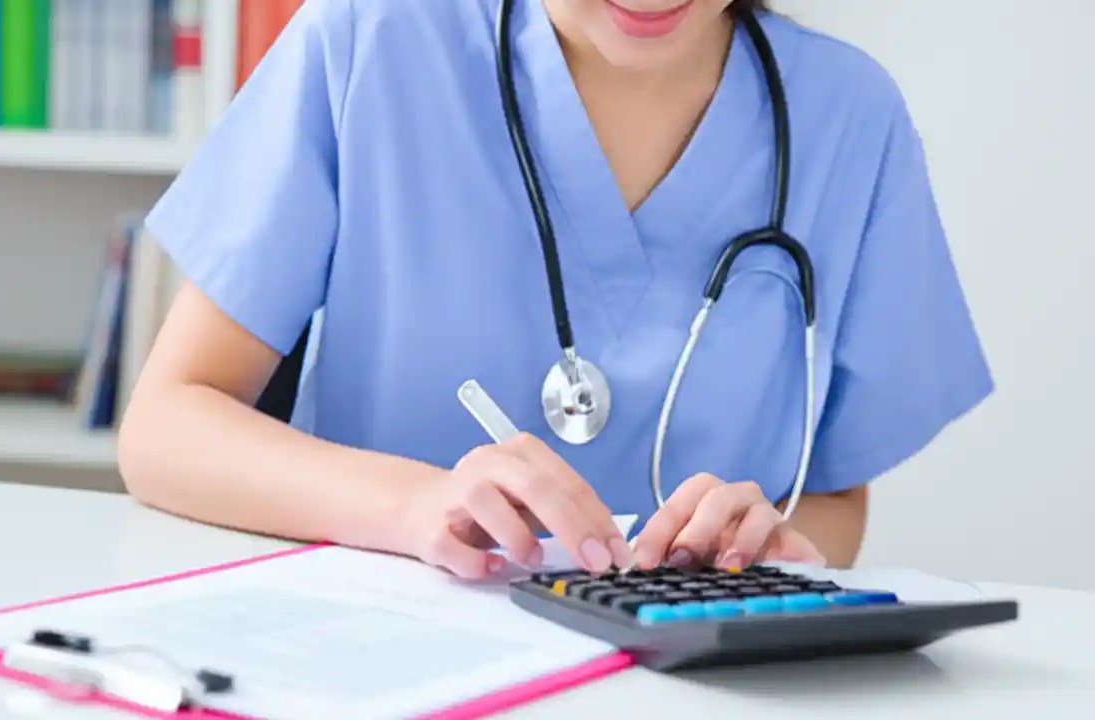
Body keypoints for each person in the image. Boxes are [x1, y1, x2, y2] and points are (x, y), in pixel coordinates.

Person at [118, 0, 992, 579]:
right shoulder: (369, 39)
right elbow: (165, 425)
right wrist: (413, 504)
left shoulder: (850, 116)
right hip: (385, 664)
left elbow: (831, 500)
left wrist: (770, 555)